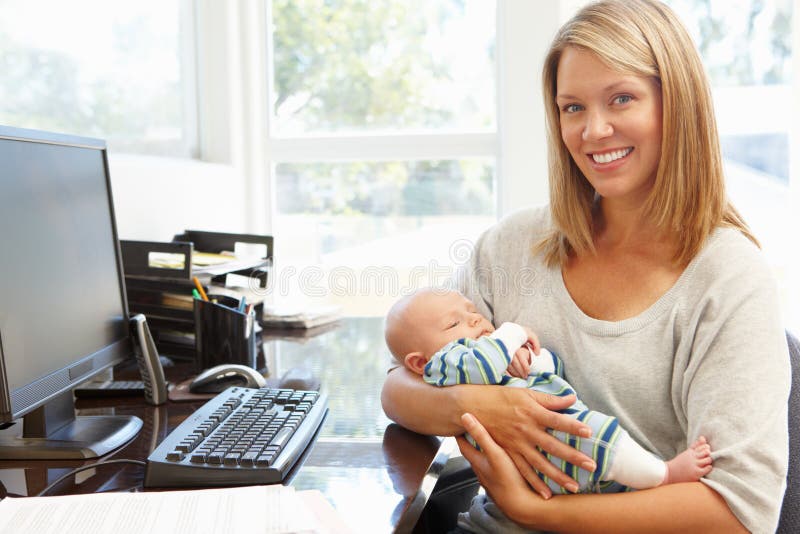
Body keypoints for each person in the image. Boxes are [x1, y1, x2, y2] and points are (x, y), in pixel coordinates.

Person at [380, 0, 790, 532]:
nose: (593, 130)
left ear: (677, 104)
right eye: (572, 107)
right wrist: (475, 404)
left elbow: (739, 514)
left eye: (621, 99)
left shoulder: (730, 278)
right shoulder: (512, 246)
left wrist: (536, 510)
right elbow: (398, 388)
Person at [385, 288, 713, 499]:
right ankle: (665, 475)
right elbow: (481, 365)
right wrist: (512, 334)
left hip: (552, 459)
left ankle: (648, 480)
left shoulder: (488, 353)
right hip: (547, 451)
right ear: (419, 363)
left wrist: (530, 357)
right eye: (453, 324)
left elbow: (551, 367)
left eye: (472, 311)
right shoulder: (444, 364)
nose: (474, 319)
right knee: (601, 438)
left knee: (607, 462)